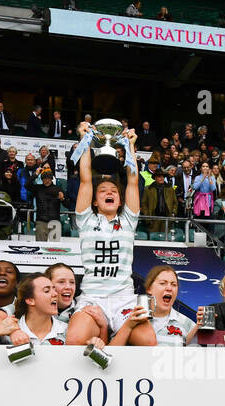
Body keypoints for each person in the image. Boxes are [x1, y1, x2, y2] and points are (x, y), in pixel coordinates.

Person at [65, 122, 155, 346]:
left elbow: (133, 181)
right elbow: (86, 178)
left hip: (124, 299)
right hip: (92, 297)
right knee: (75, 339)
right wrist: (85, 140)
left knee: (148, 341)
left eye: (114, 191)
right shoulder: (86, 220)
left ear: (120, 200)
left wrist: (132, 146)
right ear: (95, 201)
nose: (109, 192)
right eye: (103, 191)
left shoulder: (127, 220)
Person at [144, 265, 197, 346]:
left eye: (174, 284)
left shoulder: (187, 324)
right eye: (162, 283)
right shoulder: (133, 319)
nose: (169, 288)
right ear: (149, 289)